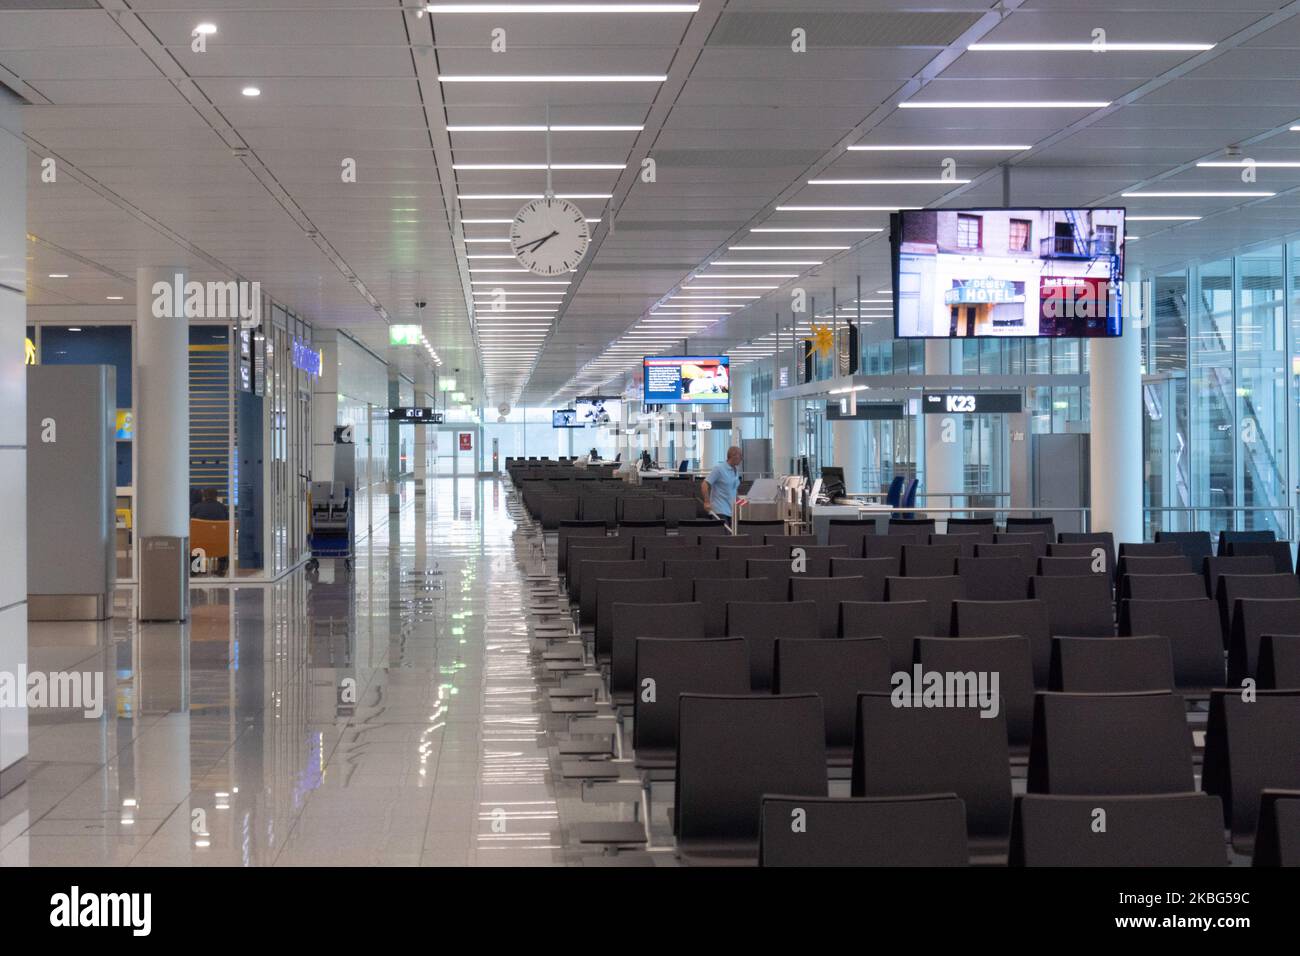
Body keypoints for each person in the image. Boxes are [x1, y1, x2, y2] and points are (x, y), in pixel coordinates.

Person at [702, 445, 742, 523]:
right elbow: (704, 484)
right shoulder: (719, 469)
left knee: (733, 534)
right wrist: (707, 502)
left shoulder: (735, 470)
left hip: (731, 510)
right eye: (740, 455)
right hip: (720, 510)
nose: (741, 458)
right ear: (733, 456)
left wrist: (740, 501)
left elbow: (733, 489)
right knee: (724, 534)